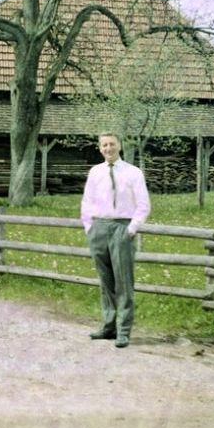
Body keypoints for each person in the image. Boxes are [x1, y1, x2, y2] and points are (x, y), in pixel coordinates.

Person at [80, 132, 151, 349]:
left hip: (122, 227)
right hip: (99, 228)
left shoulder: (133, 172)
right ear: (100, 148)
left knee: (123, 282)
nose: (108, 148)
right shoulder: (95, 172)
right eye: (104, 145)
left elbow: (143, 204)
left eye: (112, 144)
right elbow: (87, 201)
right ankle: (109, 326)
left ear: (119, 146)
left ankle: (123, 331)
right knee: (106, 281)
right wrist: (89, 227)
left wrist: (131, 229)